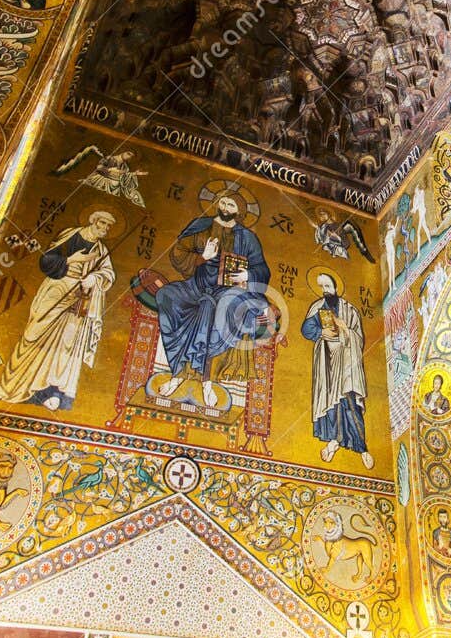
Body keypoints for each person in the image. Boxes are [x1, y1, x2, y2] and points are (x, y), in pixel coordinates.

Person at [0, 211, 117, 411]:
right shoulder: (71, 235)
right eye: (103, 223)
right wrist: (71, 260)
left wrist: (95, 278)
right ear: (92, 220)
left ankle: (54, 391)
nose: (105, 228)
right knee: (34, 334)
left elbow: (108, 274)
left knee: (68, 342)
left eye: (108, 226)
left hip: (81, 297)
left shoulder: (101, 250)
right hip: (57, 288)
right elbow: (46, 262)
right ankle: (8, 386)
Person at [151, 193, 272, 409]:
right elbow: (178, 254)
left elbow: (262, 269)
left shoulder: (247, 237)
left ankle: (200, 379)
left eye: (231, 204)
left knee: (213, 307)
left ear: (239, 210)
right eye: (223, 203)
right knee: (166, 295)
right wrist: (202, 258)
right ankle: (182, 374)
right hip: (196, 286)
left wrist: (247, 276)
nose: (225, 207)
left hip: (228, 291)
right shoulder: (200, 225)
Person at [301, 270, 372, 468]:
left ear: (336, 287)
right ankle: (334, 441)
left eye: (328, 286)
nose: (325, 290)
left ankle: (362, 447)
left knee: (350, 401)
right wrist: (321, 331)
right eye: (322, 287)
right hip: (327, 362)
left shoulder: (350, 310)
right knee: (331, 401)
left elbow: (359, 338)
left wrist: (345, 329)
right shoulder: (318, 308)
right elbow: (306, 329)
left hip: (348, 361)